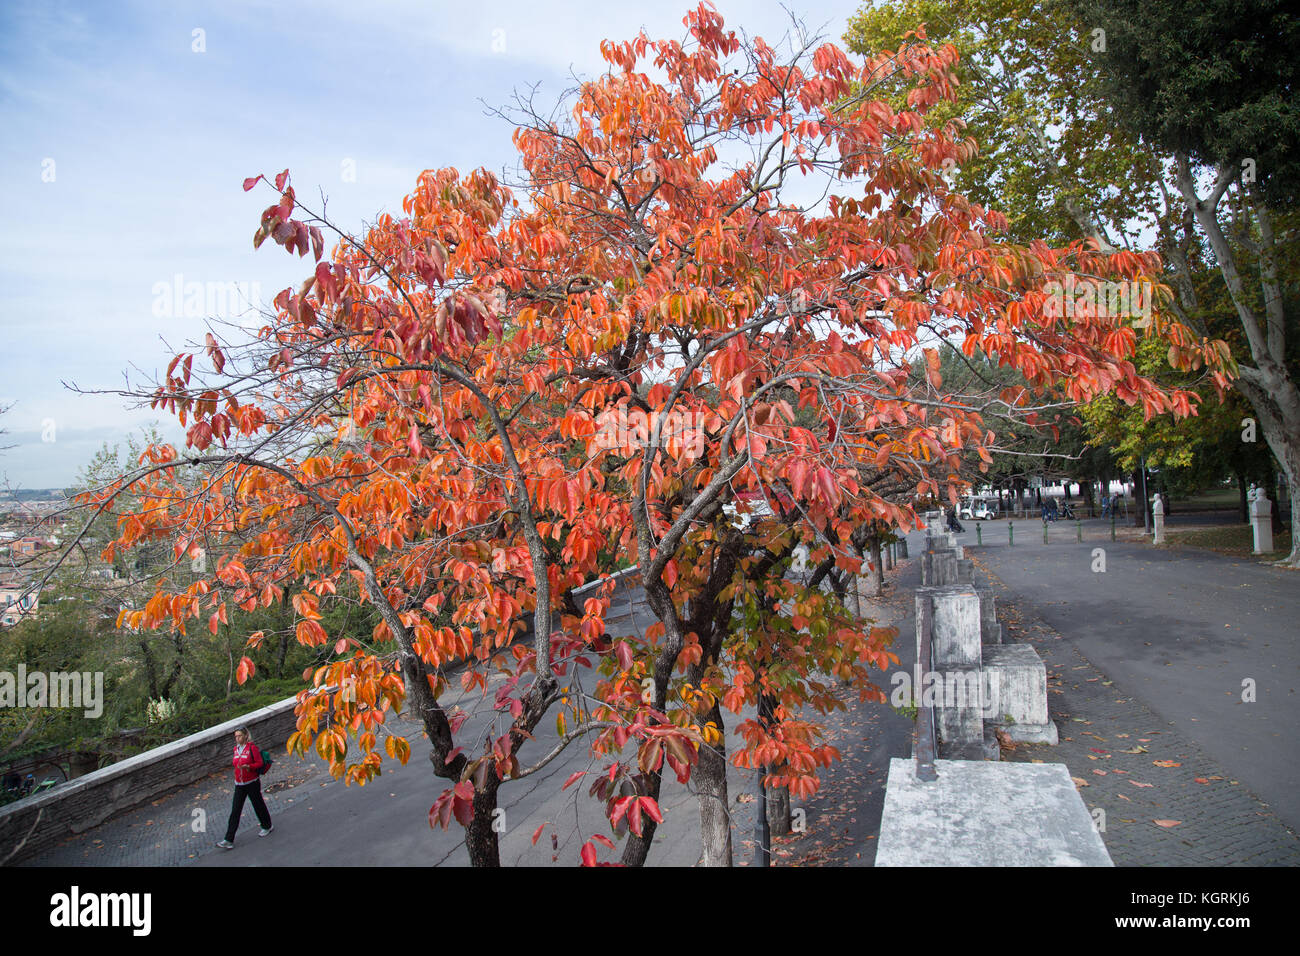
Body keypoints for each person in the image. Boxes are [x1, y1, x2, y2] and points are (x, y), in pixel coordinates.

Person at [217, 726, 273, 849]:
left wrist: (249, 767)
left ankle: (267, 826)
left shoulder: (252, 748)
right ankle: (228, 839)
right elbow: (235, 764)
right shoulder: (235, 749)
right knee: (235, 810)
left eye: (239, 736)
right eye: (236, 736)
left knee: (258, 805)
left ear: (245, 736)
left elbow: (259, 763)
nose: (237, 738)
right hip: (239, 784)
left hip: (252, 782)